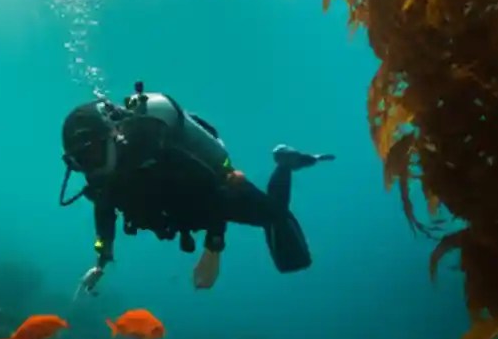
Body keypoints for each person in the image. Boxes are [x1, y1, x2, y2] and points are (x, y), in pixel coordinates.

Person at [58, 82, 333, 297]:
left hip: (214, 191)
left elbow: (212, 189)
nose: (90, 167)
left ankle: (284, 163)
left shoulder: (155, 146)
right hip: (180, 207)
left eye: (92, 155)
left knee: (276, 217)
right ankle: (284, 165)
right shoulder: (102, 176)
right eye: (79, 161)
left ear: (111, 136)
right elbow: (104, 212)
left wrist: (213, 250)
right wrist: (102, 259)